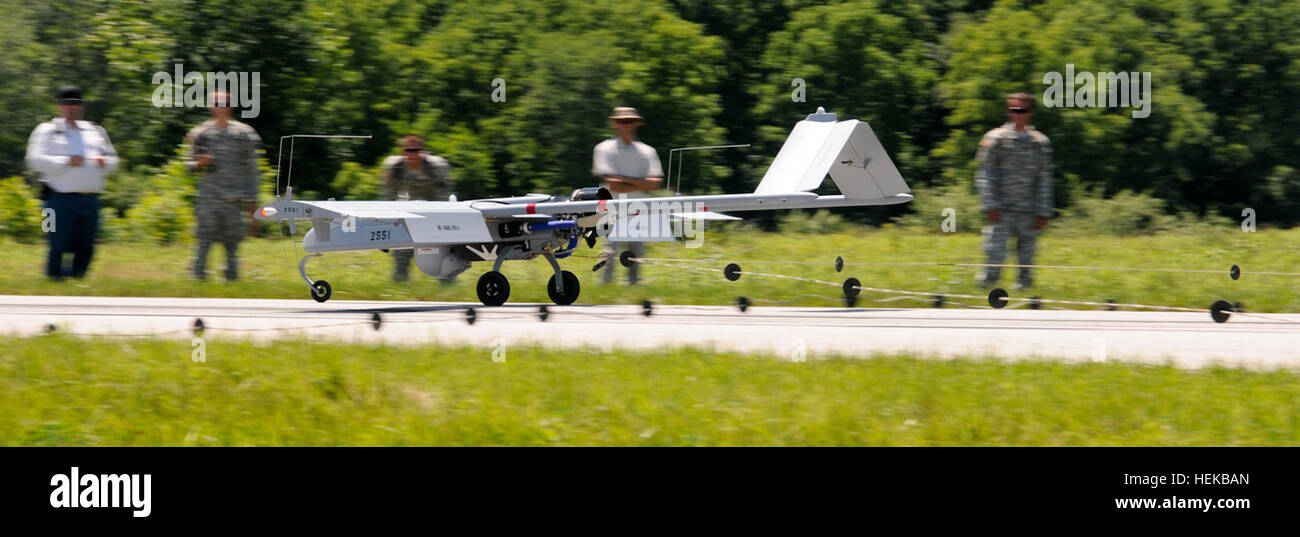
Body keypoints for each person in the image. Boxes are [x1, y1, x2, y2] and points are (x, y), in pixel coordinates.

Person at [26, 86, 119, 280]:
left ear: (81, 107)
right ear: (59, 106)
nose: (71, 108)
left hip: (89, 199)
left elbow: (114, 161)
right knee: (57, 243)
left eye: (75, 104)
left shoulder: (95, 130)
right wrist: (66, 161)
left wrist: (105, 162)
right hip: (56, 200)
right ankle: (53, 280)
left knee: (87, 245)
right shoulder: (47, 130)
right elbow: (34, 160)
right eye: (67, 103)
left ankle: (77, 282)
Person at [975, 92, 1054, 290]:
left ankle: (1025, 299)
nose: (1018, 114)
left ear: (1030, 113)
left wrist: (1043, 211)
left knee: (1026, 260)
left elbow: (1044, 178)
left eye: (1022, 110)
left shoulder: (1039, 142)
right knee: (994, 254)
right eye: (1014, 110)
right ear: (1008, 112)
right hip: (1002, 210)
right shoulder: (996, 139)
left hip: (1028, 210)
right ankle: (983, 293)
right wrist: (990, 205)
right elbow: (986, 174)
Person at [185, 91, 263, 281]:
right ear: (210, 106)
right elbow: (188, 165)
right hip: (208, 200)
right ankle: (196, 284)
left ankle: (232, 285)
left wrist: (253, 204)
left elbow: (252, 170)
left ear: (230, 106)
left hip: (233, 200)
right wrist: (198, 164)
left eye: (225, 102)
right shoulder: (200, 133)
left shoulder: (244, 134)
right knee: (202, 245)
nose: (221, 106)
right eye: (216, 102)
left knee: (232, 249)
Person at [592, 107, 663, 285]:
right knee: (610, 252)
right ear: (615, 124)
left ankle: (633, 289)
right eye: (623, 121)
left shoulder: (648, 151)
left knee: (635, 255)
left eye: (630, 121)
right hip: (612, 208)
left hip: (639, 209)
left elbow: (656, 183)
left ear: (636, 124)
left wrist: (623, 179)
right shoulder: (603, 149)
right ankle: (604, 288)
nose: (627, 125)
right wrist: (641, 182)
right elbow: (612, 185)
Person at [380, 134, 455, 281]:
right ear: (403, 151)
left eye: (415, 150)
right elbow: (388, 197)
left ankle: (447, 283)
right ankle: (400, 283)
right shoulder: (396, 167)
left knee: (442, 253)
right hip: (410, 212)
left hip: (434, 214)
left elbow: (444, 197)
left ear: (422, 151)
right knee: (401, 250)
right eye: (408, 150)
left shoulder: (436, 167)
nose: (412, 154)